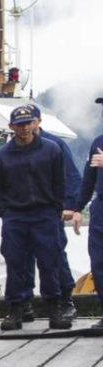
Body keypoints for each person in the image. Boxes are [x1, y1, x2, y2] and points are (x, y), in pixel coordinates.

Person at [0, 103, 81, 330]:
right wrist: (7, 214)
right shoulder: (2, 156)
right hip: (16, 218)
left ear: (36, 123)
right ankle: (15, 310)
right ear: (11, 126)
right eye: (20, 124)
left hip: (45, 215)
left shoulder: (52, 149)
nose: (25, 128)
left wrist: (55, 208)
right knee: (15, 264)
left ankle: (55, 309)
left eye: (28, 123)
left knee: (50, 263)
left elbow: (60, 183)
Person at [78, 107, 103, 300]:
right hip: (100, 209)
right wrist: (77, 208)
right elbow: (88, 180)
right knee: (99, 263)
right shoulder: (98, 142)